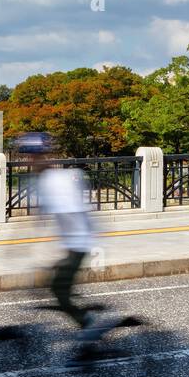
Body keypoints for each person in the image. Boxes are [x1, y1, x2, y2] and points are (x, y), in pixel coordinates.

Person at [16, 133, 115, 344]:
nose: (30, 162)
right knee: (55, 282)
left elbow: (71, 213)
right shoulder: (47, 180)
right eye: (28, 158)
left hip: (79, 243)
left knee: (59, 290)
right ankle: (84, 316)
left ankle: (88, 325)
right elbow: (41, 218)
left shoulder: (56, 181)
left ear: (44, 157)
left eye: (33, 158)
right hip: (72, 243)